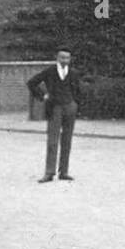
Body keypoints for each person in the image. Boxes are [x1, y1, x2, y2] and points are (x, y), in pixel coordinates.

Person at [27, 49, 83, 183]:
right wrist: (43, 96)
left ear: (70, 59)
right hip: (55, 108)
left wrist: (75, 104)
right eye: (62, 58)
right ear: (57, 58)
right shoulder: (50, 72)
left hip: (70, 107)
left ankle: (64, 171)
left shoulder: (74, 73)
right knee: (53, 140)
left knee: (67, 140)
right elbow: (31, 83)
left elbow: (78, 91)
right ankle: (49, 172)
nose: (65, 61)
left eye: (67, 58)